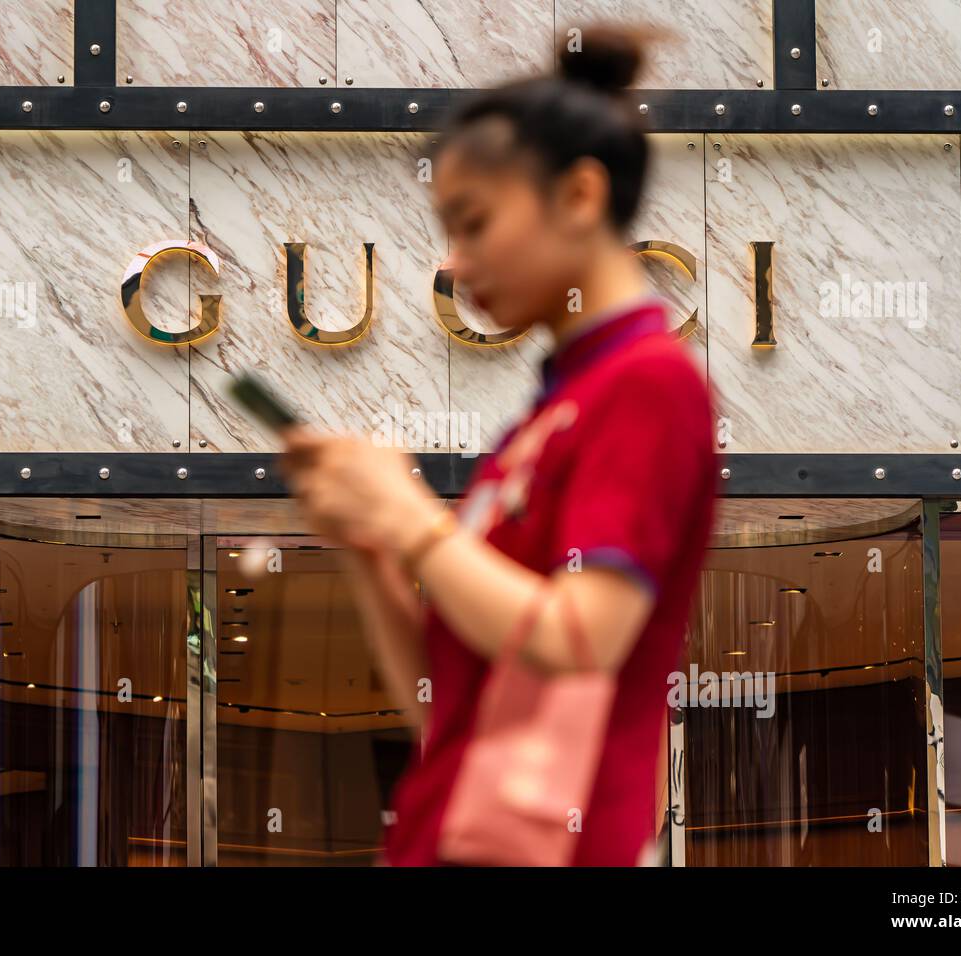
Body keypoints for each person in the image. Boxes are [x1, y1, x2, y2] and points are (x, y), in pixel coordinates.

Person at [282, 24, 717, 866]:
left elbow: (582, 639)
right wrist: (370, 544)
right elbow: (453, 704)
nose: (454, 261)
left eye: (473, 223)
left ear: (580, 197)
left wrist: (412, 522)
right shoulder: (557, 409)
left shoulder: (648, 385)